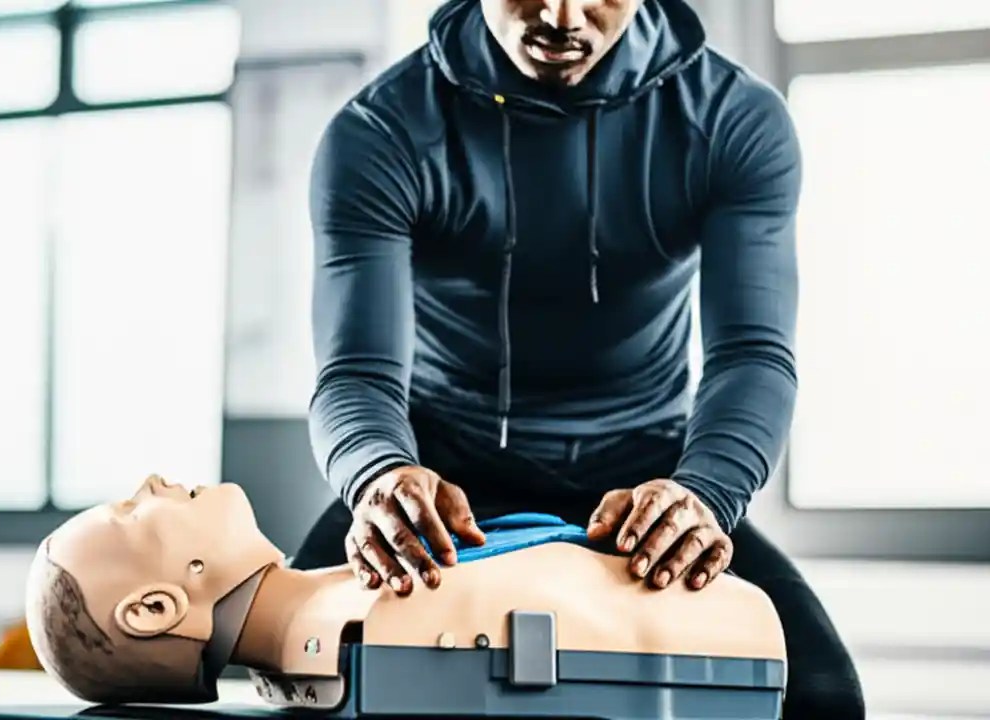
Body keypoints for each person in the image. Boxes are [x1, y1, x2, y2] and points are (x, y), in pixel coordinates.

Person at [300, 0, 863, 716]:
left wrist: (710, 493)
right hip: (442, 480)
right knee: (298, 672)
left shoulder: (732, 117)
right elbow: (356, 372)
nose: (563, 16)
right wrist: (377, 472)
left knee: (822, 698)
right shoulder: (380, 130)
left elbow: (751, 354)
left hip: (649, 481)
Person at [24, 474, 786, 715]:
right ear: (157, 609)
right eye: (131, 511)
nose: (152, 484)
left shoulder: (335, 596)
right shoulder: (372, 618)